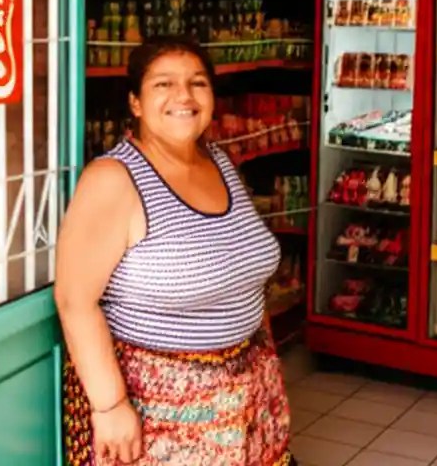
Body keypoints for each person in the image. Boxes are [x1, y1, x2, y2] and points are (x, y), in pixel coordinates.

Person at [55, 35, 294, 466]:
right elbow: (75, 301)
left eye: (197, 83)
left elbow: (243, 270)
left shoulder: (218, 161)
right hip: (158, 404)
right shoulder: (114, 179)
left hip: (246, 393)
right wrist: (110, 406)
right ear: (135, 102)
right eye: (163, 84)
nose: (184, 96)